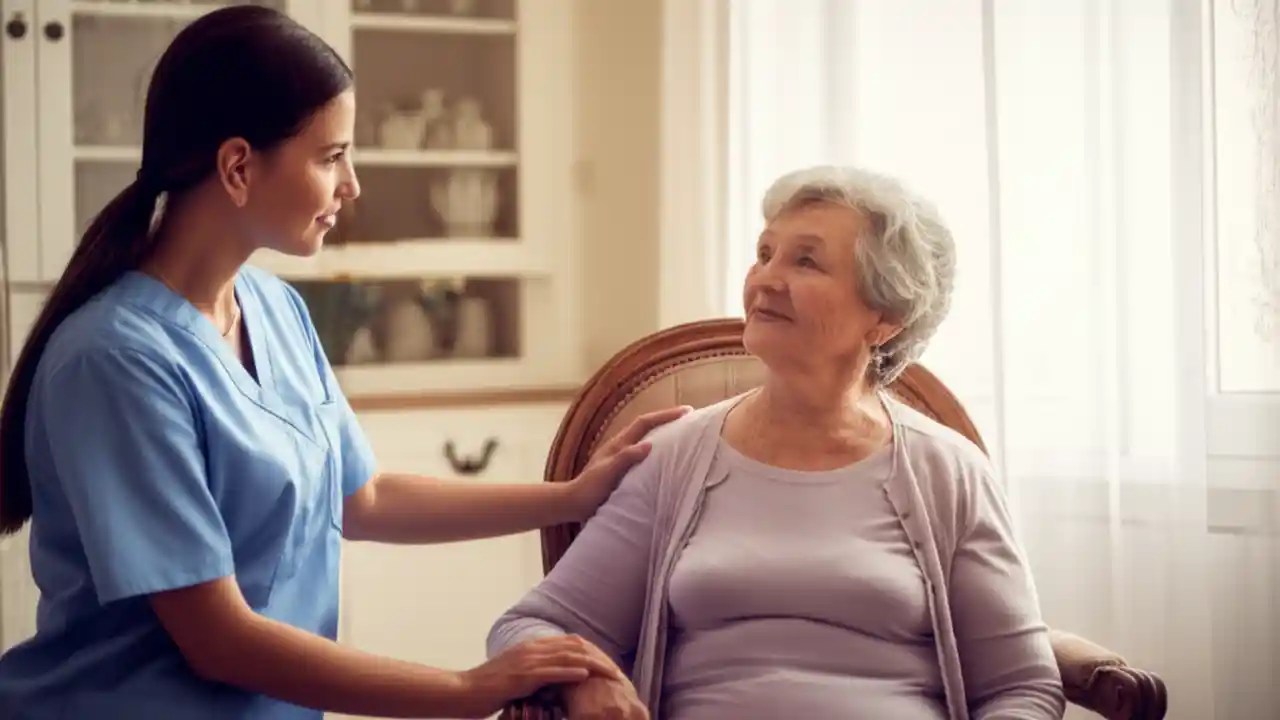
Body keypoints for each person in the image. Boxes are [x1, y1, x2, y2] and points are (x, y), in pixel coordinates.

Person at [0, 7, 686, 719]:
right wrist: (465, 690)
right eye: (331, 157)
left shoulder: (275, 309)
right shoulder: (115, 361)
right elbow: (220, 641)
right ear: (238, 166)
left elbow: (365, 498)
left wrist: (571, 495)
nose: (352, 183)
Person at [487, 166, 1067, 720]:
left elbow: (1021, 686)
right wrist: (587, 677)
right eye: (764, 253)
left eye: (806, 261)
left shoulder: (949, 472)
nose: (765, 278)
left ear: (884, 318)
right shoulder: (675, 457)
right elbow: (532, 623)